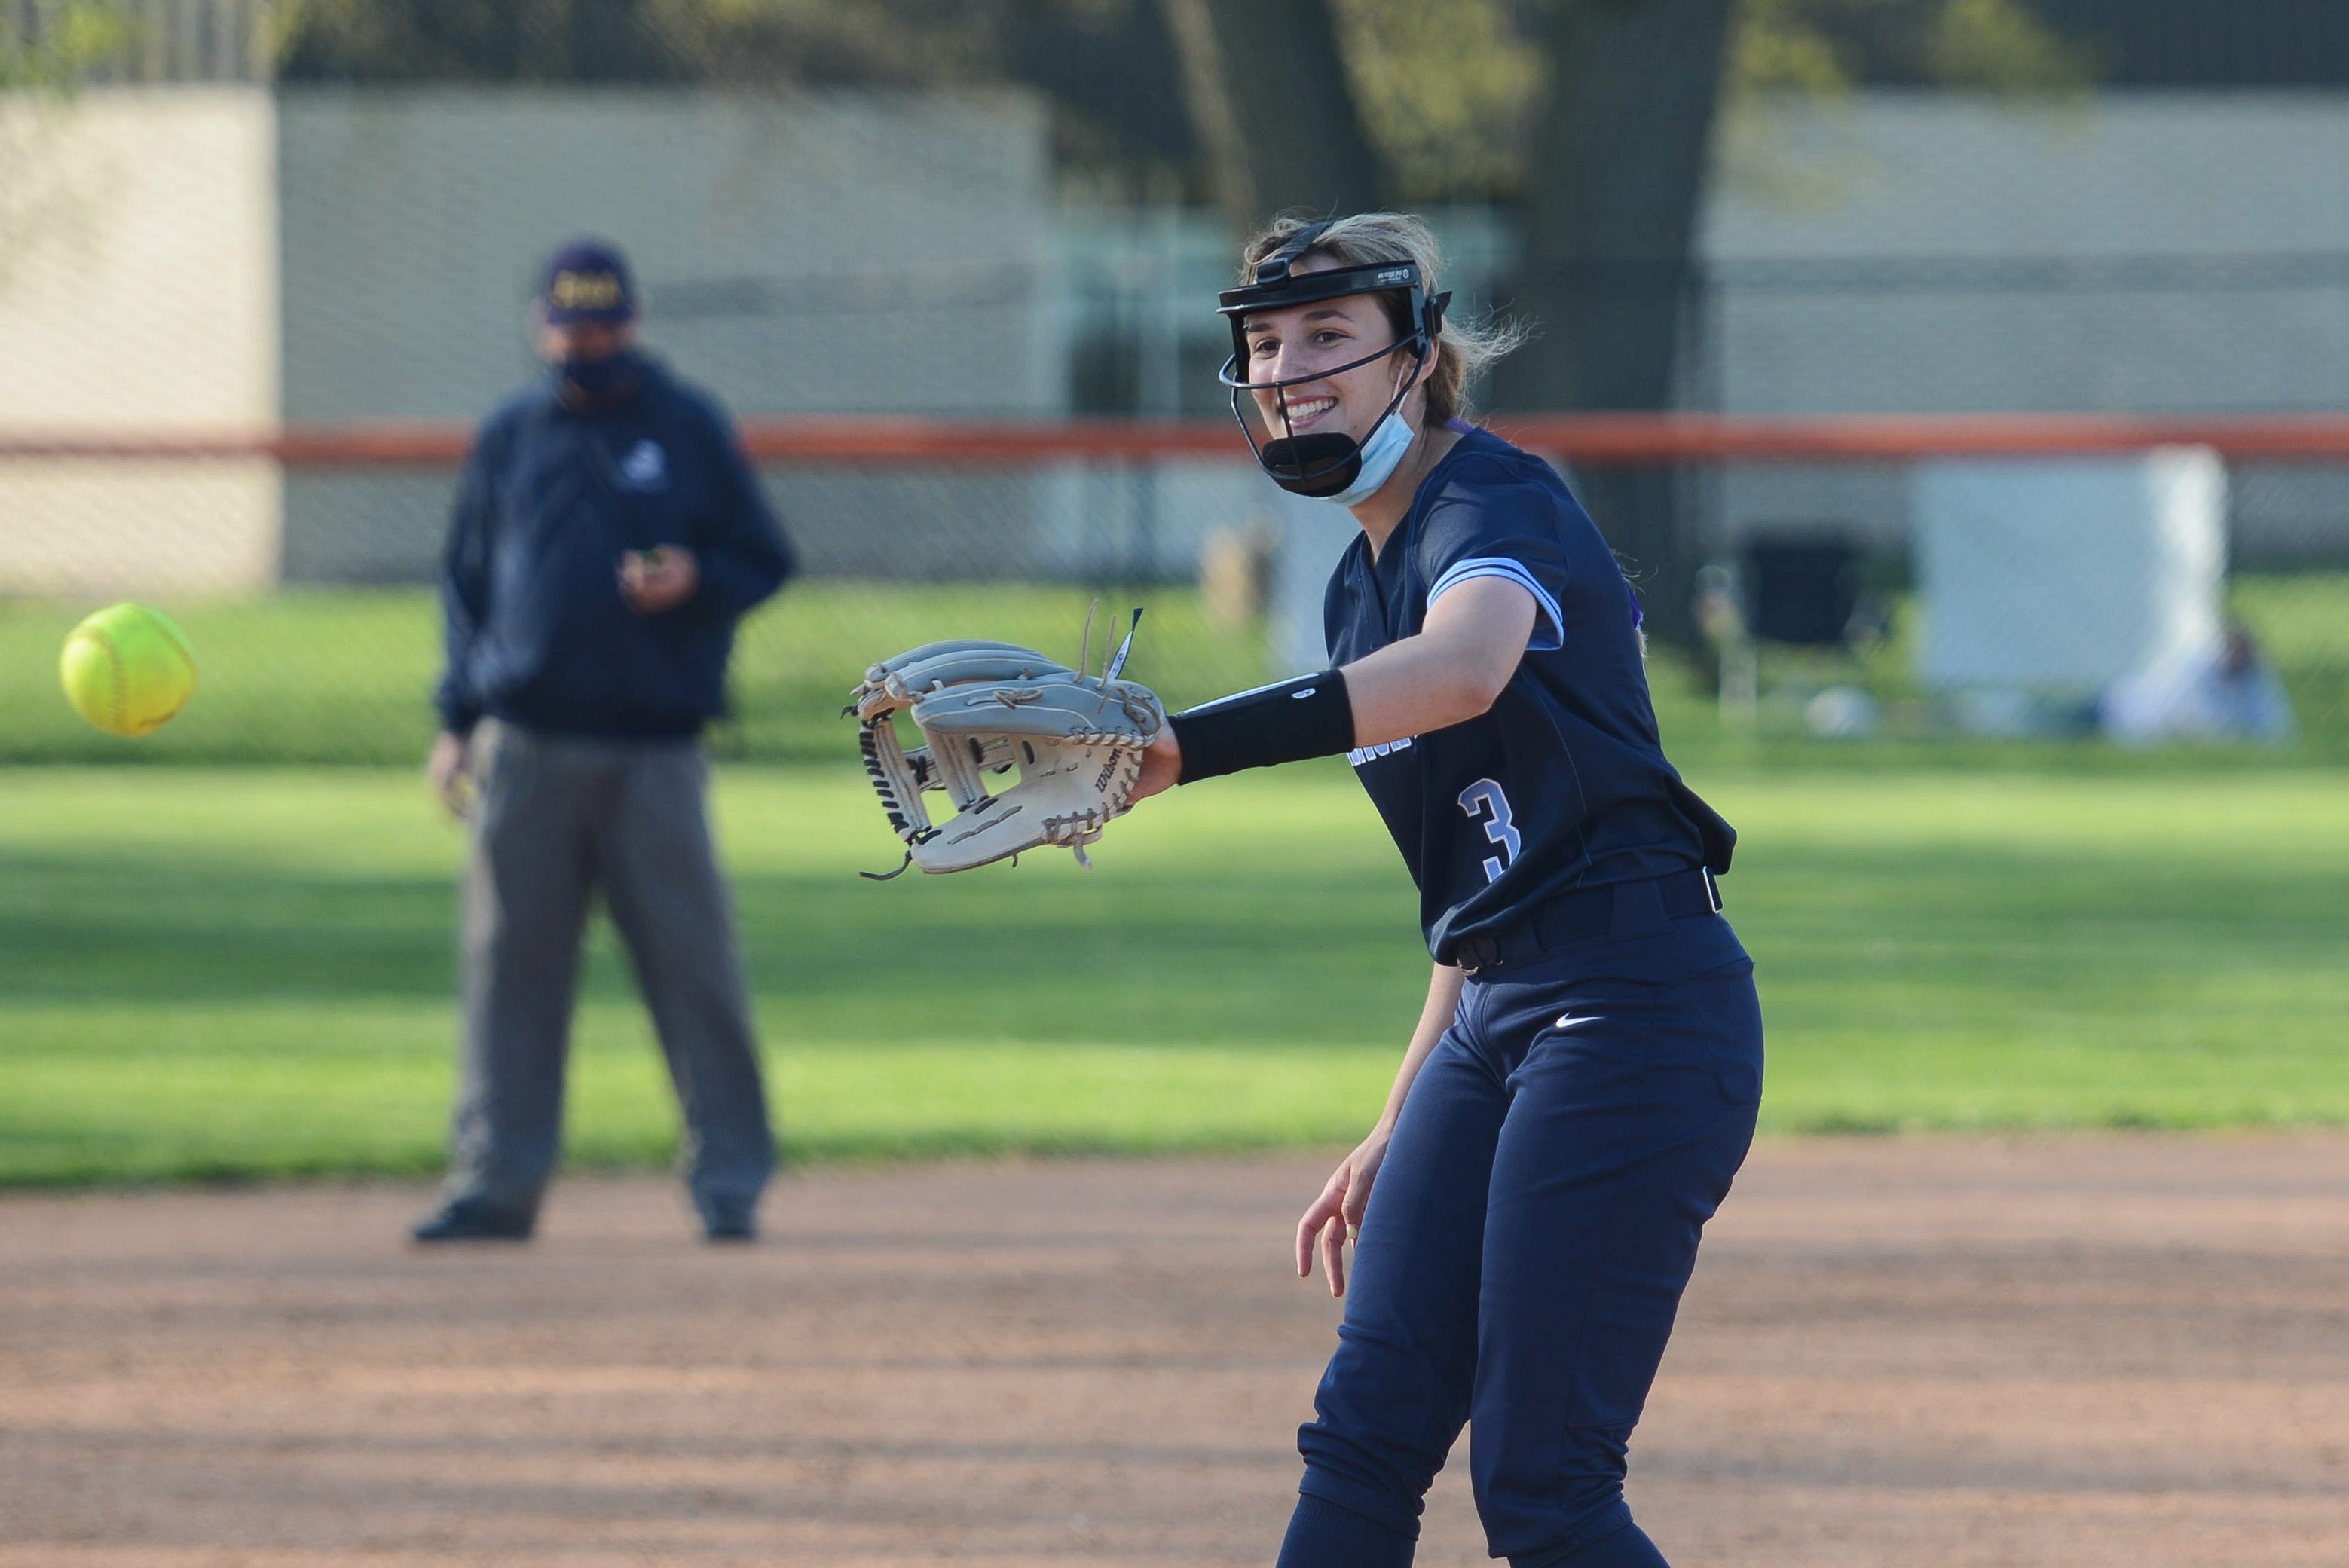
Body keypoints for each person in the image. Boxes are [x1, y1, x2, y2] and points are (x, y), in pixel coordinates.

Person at [1131, 214, 1763, 1568]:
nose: (1292, 371)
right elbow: (1466, 900)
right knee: (1363, 1434)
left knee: (1541, 1482)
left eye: (1327, 337)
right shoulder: (1355, 597)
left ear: (1414, 358)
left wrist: (1187, 747)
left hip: (1636, 1006)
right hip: (1499, 1012)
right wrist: (1399, 1115)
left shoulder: (1490, 497)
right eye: (1265, 345)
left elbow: (1469, 664)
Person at [414, 239, 796, 1245]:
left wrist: (694, 578)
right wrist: (454, 722)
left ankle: (730, 1183)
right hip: (526, 743)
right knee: (509, 972)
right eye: (570, 323)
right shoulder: (510, 434)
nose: (588, 340)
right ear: (541, 326)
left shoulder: (685, 423)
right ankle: (496, 1183)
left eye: (605, 321)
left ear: (634, 320)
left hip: (653, 751)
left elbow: (763, 557)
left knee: (693, 969)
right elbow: (465, 590)